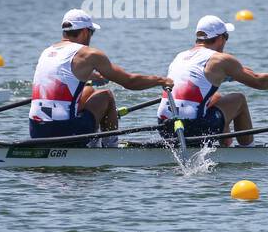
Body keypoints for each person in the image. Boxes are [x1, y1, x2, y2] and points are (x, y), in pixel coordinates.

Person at [29, 8, 170, 146]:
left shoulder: (47, 52)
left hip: (36, 131)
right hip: (64, 133)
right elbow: (130, 82)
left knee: (89, 89)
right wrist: (161, 80)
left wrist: (91, 76)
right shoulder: (89, 54)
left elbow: (63, 75)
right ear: (85, 32)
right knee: (106, 96)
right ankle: (110, 148)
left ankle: (92, 141)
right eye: (92, 32)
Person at [157, 15, 268, 146]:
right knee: (238, 99)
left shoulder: (180, 56)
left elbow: (244, 73)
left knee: (217, 97)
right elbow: (259, 82)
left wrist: (239, 71)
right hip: (192, 130)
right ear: (221, 38)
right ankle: (248, 150)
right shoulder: (221, 60)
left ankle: (225, 145)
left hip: (165, 127)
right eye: (226, 37)